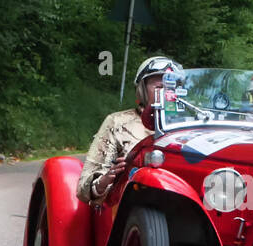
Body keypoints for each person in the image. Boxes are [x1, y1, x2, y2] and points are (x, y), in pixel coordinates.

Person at [77, 55, 179, 205]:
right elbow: (84, 189)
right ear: (142, 89)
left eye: (170, 84)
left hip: (178, 202)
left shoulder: (192, 126)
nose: (163, 89)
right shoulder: (118, 122)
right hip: (126, 205)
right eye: (156, 84)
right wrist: (106, 179)